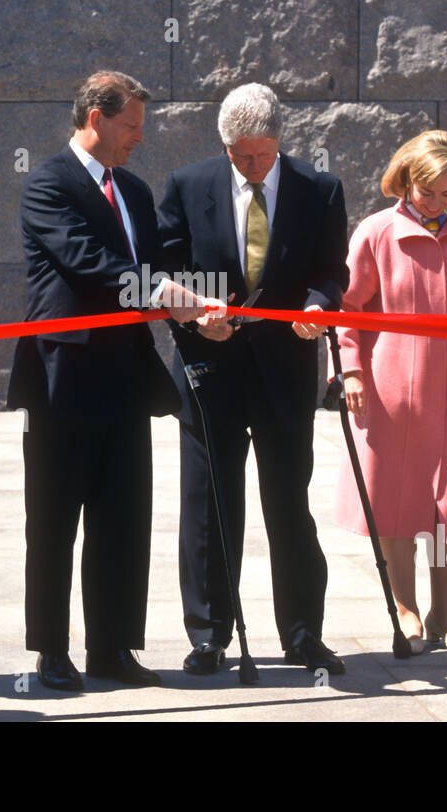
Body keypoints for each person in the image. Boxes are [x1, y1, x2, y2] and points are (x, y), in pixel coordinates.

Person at [7, 70, 215, 691]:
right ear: (95, 118)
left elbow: (153, 268)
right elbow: (87, 262)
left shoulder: (133, 189)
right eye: (131, 126)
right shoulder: (49, 182)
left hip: (125, 374)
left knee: (124, 517)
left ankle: (113, 647)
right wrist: (159, 290)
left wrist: (198, 313)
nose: (139, 139)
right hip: (63, 377)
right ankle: (50, 649)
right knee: (53, 518)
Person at [158, 83, 350, 676]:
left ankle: (301, 634)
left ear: (279, 141)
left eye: (264, 155)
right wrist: (194, 310)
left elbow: (331, 269)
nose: (254, 166)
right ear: (224, 145)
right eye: (242, 156)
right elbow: (163, 267)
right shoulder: (188, 186)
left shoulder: (319, 189)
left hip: (286, 371)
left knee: (289, 502)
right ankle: (210, 633)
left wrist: (319, 308)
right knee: (211, 500)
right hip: (209, 367)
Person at [335, 130, 447, 654]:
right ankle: (406, 609)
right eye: (427, 191)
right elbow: (347, 308)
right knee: (396, 501)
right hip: (392, 390)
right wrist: (350, 371)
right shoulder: (375, 232)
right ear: (405, 181)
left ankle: (444, 614)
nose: (438, 203)